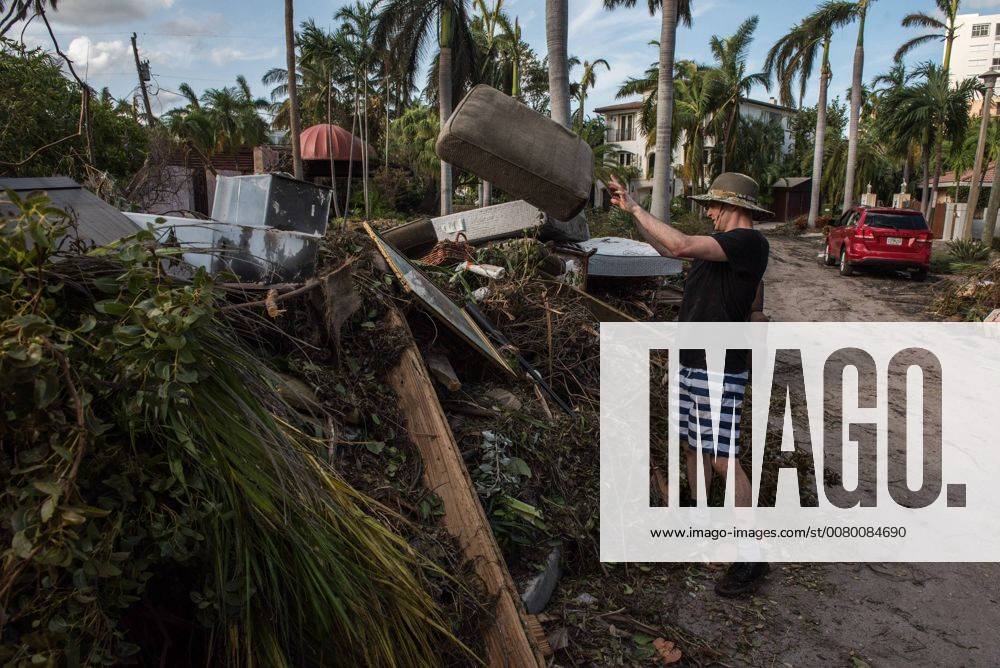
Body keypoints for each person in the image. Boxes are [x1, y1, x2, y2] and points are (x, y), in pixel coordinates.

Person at [608, 172, 771, 597]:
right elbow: (668, 247)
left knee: (720, 456)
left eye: (714, 205)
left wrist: (640, 209)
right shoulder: (719, 249)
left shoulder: (748, 243)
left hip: (719, 366)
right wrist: (631, 212)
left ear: (735, 206)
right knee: (693, 448)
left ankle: (753, 554)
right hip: (694, 362)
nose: (709, 212)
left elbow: (679, 244)